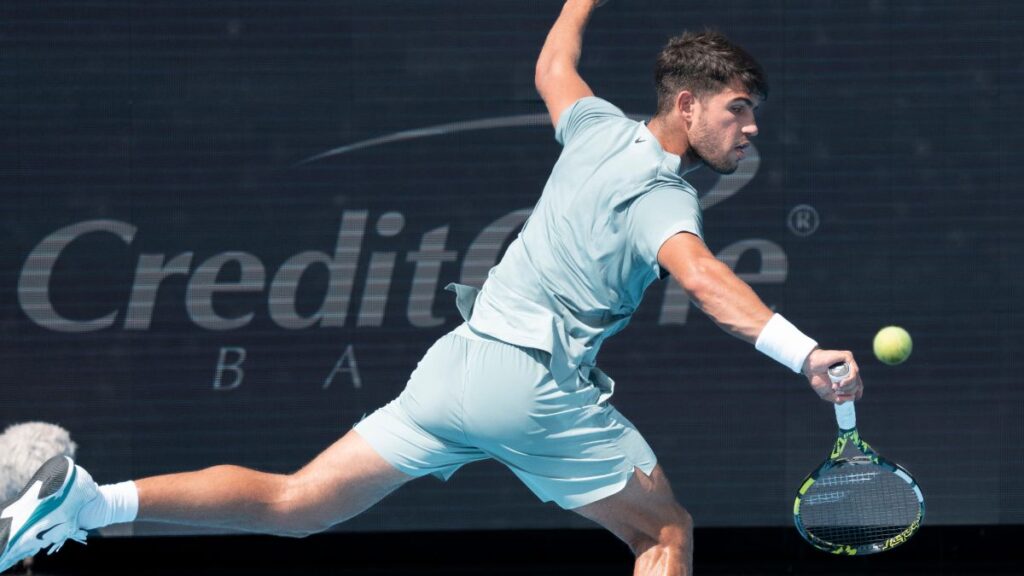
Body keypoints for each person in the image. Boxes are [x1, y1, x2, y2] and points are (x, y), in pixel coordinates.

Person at [0, 2, 863, 574]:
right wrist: (803, 354)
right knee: (664, 528)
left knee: (299, 502)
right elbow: (706, 280)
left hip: (456, 367)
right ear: (686, 105)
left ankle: (87, 500)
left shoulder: (596, 126)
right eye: (737, 109)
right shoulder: (663, 196)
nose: (749, 129)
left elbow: (554, 65)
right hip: (530, 387)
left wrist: (578, 3)